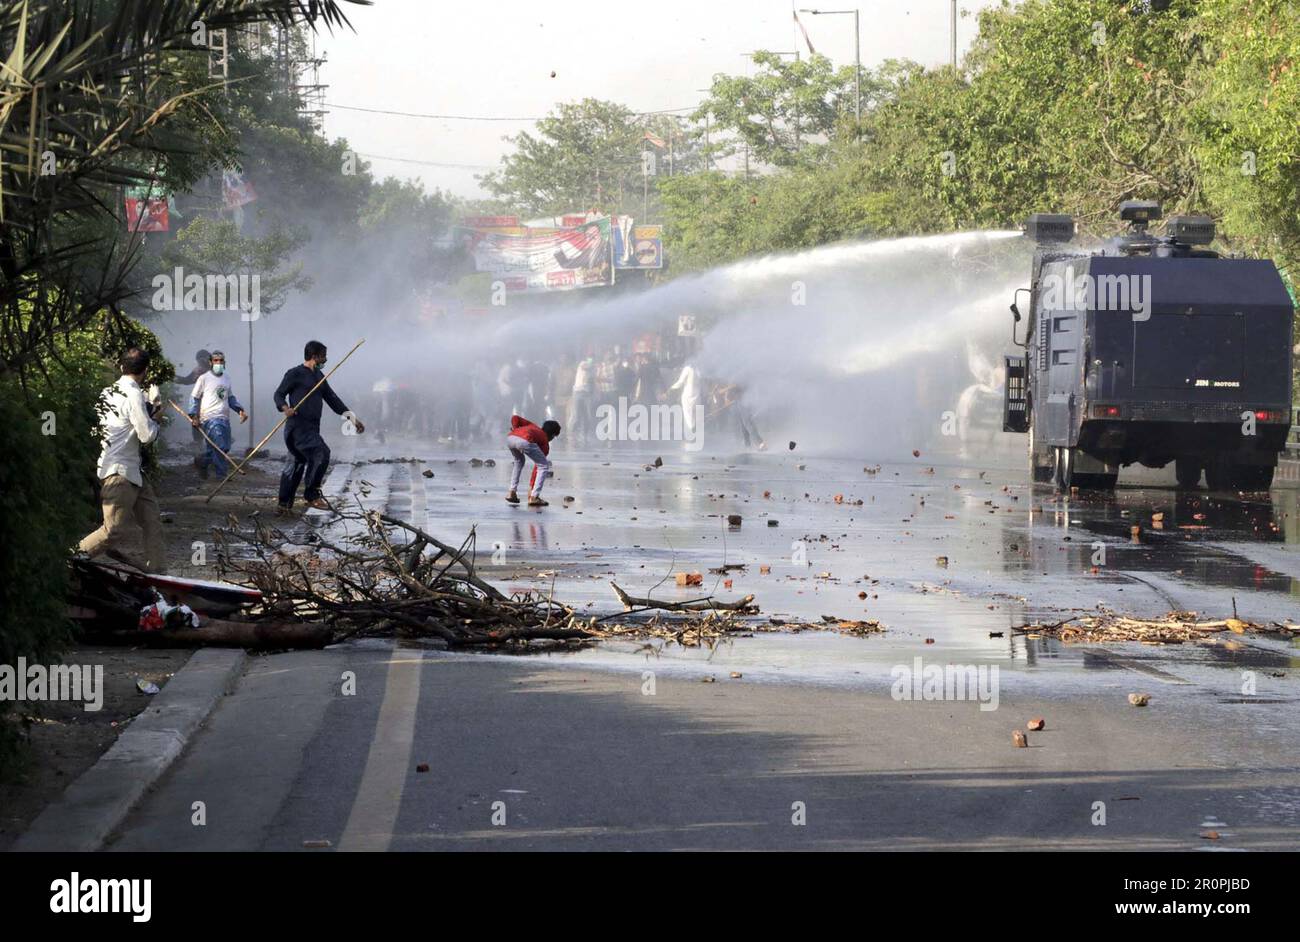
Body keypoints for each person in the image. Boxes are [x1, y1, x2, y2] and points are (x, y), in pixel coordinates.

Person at [79, 347, 167, 573]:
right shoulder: (134, 394)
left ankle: (158, 574)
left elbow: (114, 424)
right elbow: (146, 435)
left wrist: (147, 409)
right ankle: (69, 558)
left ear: (121, 366)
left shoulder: (108, 392)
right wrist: (155, 417)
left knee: (152, 522)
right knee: (112, 531)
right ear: (145, 371)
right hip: (120, 473)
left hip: (131, 470)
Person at [273, 340, 364, 513]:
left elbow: (333, 399)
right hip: (298, 427)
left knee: (296, 464)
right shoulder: (295, 374)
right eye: (323, 356)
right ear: (314, 356)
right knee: (321, 453)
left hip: (312, 428)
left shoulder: (319, 377)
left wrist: (352, 418)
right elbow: (278, 394)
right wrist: (285, 408)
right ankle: (312, 495)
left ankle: (283, 505)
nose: (326, 359)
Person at [187, 350, 248, 479]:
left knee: (221, 447)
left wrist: (239, 410)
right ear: (211, 362)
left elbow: (230, 397)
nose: (218, 363)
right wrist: (194, 415)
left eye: (221, 361)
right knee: (221, 446)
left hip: (224, 418)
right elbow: (194, 398)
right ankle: (222, 474)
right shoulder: (204, 378)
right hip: (209, 418)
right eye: (216, 361)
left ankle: (203, 462)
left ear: (224, 363)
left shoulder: (227, 379)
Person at [505, 415, 561, 507]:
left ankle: (512, 492)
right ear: (552, 435)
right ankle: (535, 497)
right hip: (525, 440)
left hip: (511, 437)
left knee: (519, 461)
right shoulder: (545, 442)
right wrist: (531, 489)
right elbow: (537, 467)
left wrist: (515, 430)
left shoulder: (533, 426)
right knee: (543, 466)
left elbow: (515, 418)